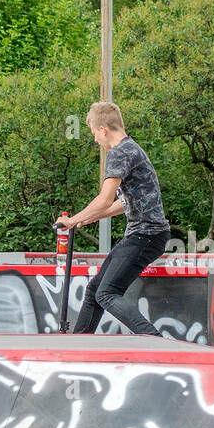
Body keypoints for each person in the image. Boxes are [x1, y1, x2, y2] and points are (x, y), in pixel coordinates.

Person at [54, 101, 169, 337]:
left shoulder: (119, 153)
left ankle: (151, 337)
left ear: (103, 130)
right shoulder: (132, 149)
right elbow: (122, 203)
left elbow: (104, 199)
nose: (96, 140)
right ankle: (78, 346)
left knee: (106, 293)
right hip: (147, 234)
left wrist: (73, 219)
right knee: (94, 289)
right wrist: (88, 218)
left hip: (146, 235)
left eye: (95, 134)